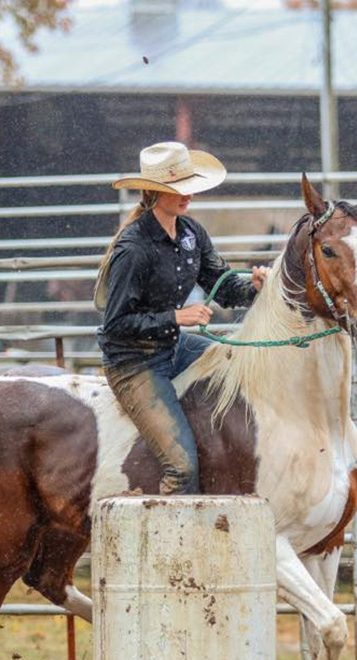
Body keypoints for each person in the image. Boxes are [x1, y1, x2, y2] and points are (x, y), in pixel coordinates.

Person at [94, 141, 268, 495]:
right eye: (178, 188)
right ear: (154, 192)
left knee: (237, 362)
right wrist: (176, 317)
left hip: (172, 346)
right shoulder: (133, 248)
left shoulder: (191, 234)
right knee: (181, 466)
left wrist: (254, 287)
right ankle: (171, 544)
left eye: (189, 185)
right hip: (134, 363)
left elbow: (223, 288)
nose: (187, 194)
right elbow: (116, 325)